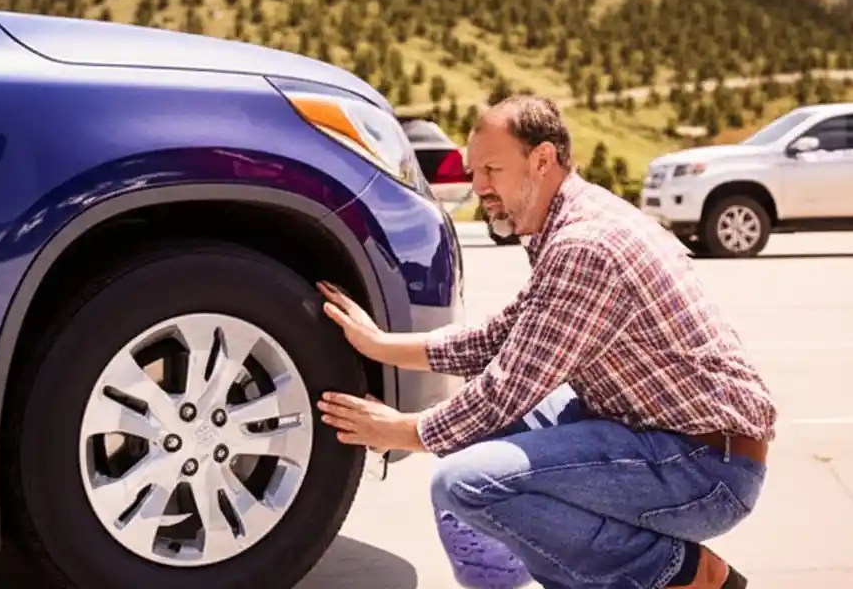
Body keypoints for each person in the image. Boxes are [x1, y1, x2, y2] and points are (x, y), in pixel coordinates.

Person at [315, 94, 777, 589]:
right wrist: (382, 345)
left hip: (704, 467)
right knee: (476, 437)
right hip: (652, 434)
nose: (479, 188)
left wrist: (401, 430)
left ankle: (680, 575)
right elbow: (505, 337)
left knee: (465, 481)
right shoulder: (572, 218)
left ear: (542, 160)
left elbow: (507, 387)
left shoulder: (585, 245)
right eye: (474, 173)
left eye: (491, 169)